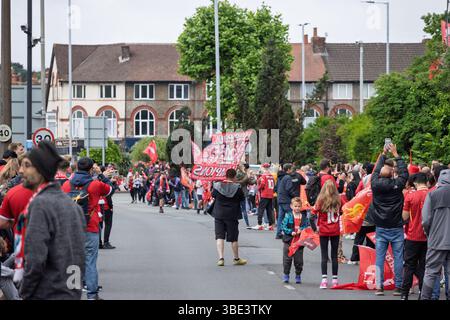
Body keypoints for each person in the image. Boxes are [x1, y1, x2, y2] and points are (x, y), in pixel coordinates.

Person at [18, 141, 85, 300]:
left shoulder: (41, 204)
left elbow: (35, 259)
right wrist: (74, 291)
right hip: (68, 291)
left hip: (46, 293)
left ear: (40, 170)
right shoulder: (72, 206)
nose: (21, 170)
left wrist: (24, 292)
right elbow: (78, 256)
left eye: (27, 165)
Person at [62, 157, 112, 300]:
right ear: (91, 169)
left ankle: (72, 295)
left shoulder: (66, 185)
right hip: (90, 227)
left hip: (71, 229)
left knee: (73, 262)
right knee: (90, 261)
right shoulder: (95, 184)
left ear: (77, 167)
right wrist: (100, 174)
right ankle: (92, 295)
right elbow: (110, 189)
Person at [365, 144, 408, 296]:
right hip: (396, 226)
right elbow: (404, 173)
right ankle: (398, 287)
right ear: (392, 175)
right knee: (398, 257)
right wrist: (396, 154)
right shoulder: (397, 184)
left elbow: (376, 170)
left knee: (380, 257)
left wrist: (383, 153)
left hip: (381, 226)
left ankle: (379, 287)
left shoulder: (375, 184)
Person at [420, 169, 450, 300]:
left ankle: (426, 297)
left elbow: (426, 220)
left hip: (437, 240)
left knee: (431, 271)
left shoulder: (432, 195)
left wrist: (429, 234)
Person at [400, 173, 430, 300]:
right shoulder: (432, 194)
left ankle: (404, 294)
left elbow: (404, 217)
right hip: (428, 236)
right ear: (426, 181)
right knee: (424, 266)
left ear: (416, 183)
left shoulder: (410, 196)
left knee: (409, 266)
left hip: (412, 235)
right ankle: (422, 294)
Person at [212, 169, 247, 267]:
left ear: (225, 175)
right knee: (234, 238)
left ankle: (221, 258)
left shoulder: (217, 186)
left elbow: (213, 195)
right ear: (234, 176)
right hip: (232, 215)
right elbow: (242, 198)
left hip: (219, 214)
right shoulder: (237, 188)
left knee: (219, 236)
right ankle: (236, 258)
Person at [311, 180, 342, 289]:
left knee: (324, 255)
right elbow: (342, 213)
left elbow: (312, 215)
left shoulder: (320, 200)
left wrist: (315, 228)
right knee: (334, 256)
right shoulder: (339, 200)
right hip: (335, 230)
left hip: (323, 230)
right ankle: (335, 280)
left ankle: (324, 280)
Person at [281, 197, 305, 284]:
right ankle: (286, 274)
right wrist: (291, 232)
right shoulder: (288, 215)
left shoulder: (303, 216)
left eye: (299, 206)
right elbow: (283, 226)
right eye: (295, 206)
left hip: (299, 242)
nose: (297, 208)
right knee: (287, 259)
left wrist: (301, 229)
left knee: (299, 261)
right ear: (291, 206)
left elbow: (306, 226)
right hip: (289, 241)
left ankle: (298, 275)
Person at [276, 164, 301, 239]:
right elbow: (289, 188)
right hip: (286, 200)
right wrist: (295, 196)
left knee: (281, 217)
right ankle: (290, 232)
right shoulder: (288, 177)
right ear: (289, 170)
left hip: (280, 199)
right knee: (291, 216)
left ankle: (279, 233)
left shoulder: (281, 177)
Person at [255, 163, 275, 231]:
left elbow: (262, 184)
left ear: (263, 168)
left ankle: (259, 224)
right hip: (270, 194)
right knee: (269, 210)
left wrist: (259, 188)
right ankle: (270, 225)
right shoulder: (271, 176)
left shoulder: (264, 176)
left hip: (264, 194)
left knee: (261, 209)